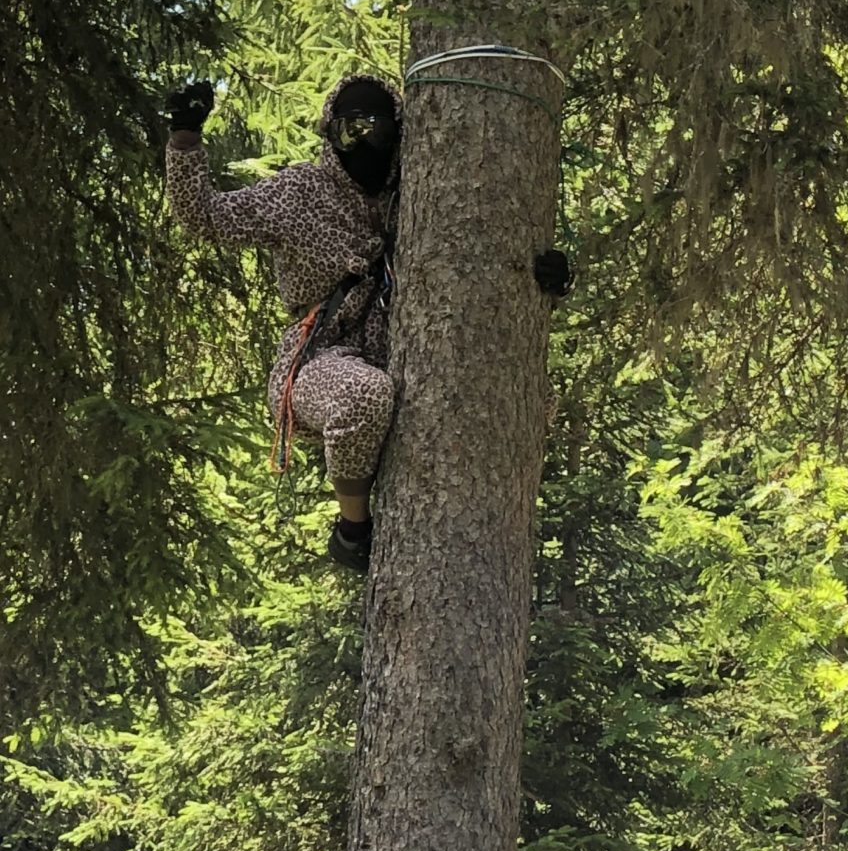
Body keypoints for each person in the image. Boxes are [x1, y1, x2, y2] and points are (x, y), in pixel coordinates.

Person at [163, 73, 570, 572]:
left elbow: (484, 282)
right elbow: (205, 216)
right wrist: (185, 136)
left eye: (378, 132)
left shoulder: (426, 192)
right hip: (319, 357)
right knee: (363, 392)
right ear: (330, 134)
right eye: (350, 131)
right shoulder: (300, 193)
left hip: (410, 352)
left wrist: (551, 281)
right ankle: (353, 529)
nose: (364, 144)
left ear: (400, 135)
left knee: (531, 396)